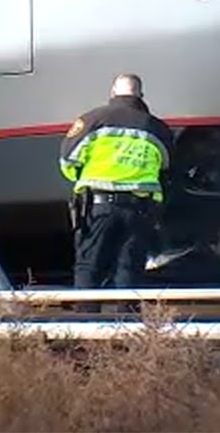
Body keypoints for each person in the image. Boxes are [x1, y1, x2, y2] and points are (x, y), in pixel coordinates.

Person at [59, 74, 176, 296]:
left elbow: (68, 160)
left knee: (89, 267)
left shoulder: (92, 120)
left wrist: (83, 178)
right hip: (140, 208)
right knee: (129, 270)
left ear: (112, 93)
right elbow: (168, 167)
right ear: (140, 95)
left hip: (98, 207)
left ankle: (86, 324)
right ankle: (129, 325)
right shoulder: (156, 128)